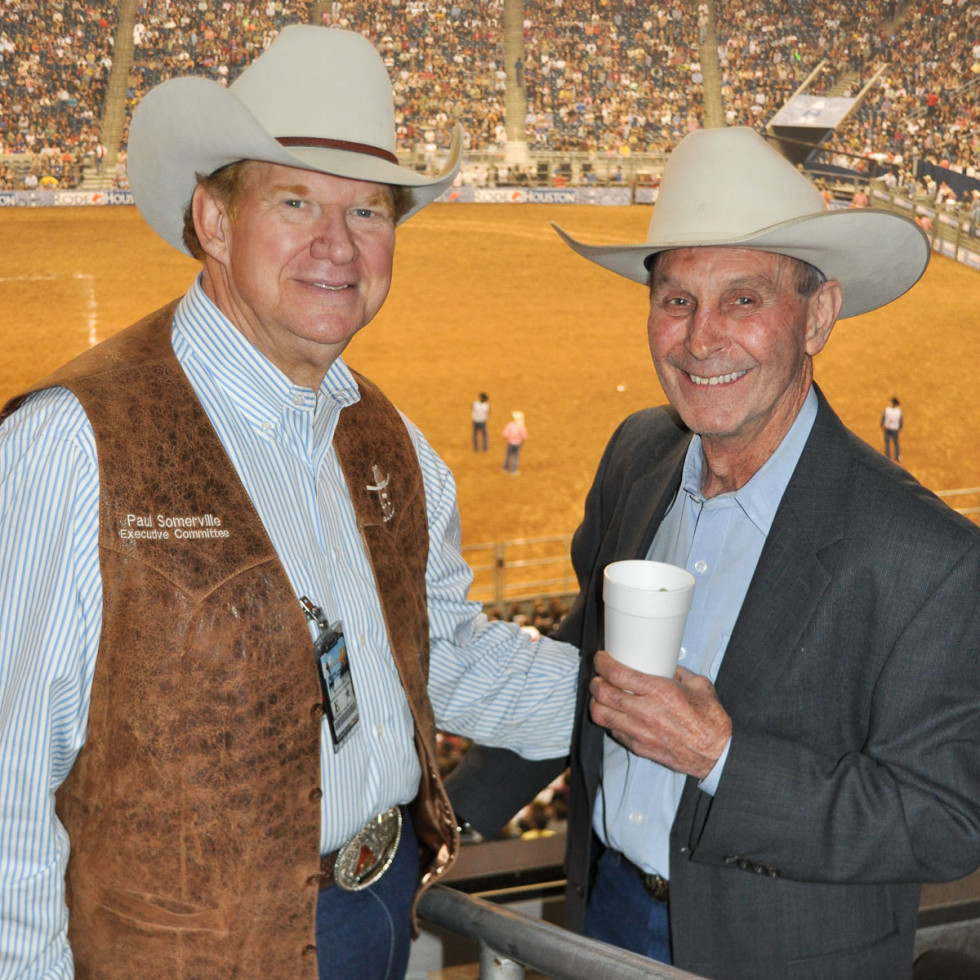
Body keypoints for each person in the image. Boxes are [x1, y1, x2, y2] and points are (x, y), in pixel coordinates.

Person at [0, 27, 579, 980]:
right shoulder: (71, 445)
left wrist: (631, 699)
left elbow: (438, 652)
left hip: (380, 917)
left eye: (370, 212)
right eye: (297, 200)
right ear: (215, 221)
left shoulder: (386, 440)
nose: (336, 246)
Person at [446, 126, 980, 980]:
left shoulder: (927, 559)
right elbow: (585, 658)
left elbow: (946, 819)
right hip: (603, 912)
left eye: (743, 300)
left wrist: (721, 758)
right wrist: (451, 810)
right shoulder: (637, 456)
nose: (700, 340)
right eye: (676, 299)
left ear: (818, 316)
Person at [502, 409, 527, 474]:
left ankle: (505, 469)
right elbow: (524, 437)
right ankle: (514, 471)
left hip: (510, 443)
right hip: (517, 444)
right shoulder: (522, 427)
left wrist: (508, 439)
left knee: (508, 456)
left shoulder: (509, 425)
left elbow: (505, 435)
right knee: (516, 457)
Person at [881, 395, 903, 460]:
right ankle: (897, 456)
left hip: (887, 429)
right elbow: (901, 421)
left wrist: (881, 425)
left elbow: (883, 418)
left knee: (887, 443)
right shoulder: (899, 411)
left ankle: (887, 457)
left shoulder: (887, 410)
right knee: (896, 443)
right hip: (895, 429)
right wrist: (900, 427)